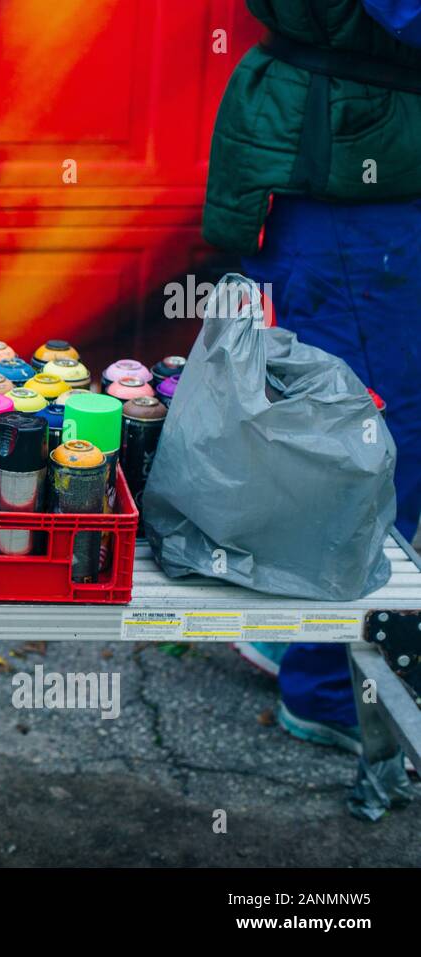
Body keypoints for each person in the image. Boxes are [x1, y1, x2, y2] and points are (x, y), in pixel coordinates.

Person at [205, 0, 421, 751]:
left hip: (352, 160)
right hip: (356, 186)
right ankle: (325, 684)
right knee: (377, 437)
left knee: (327, 418)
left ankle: (289, 635)